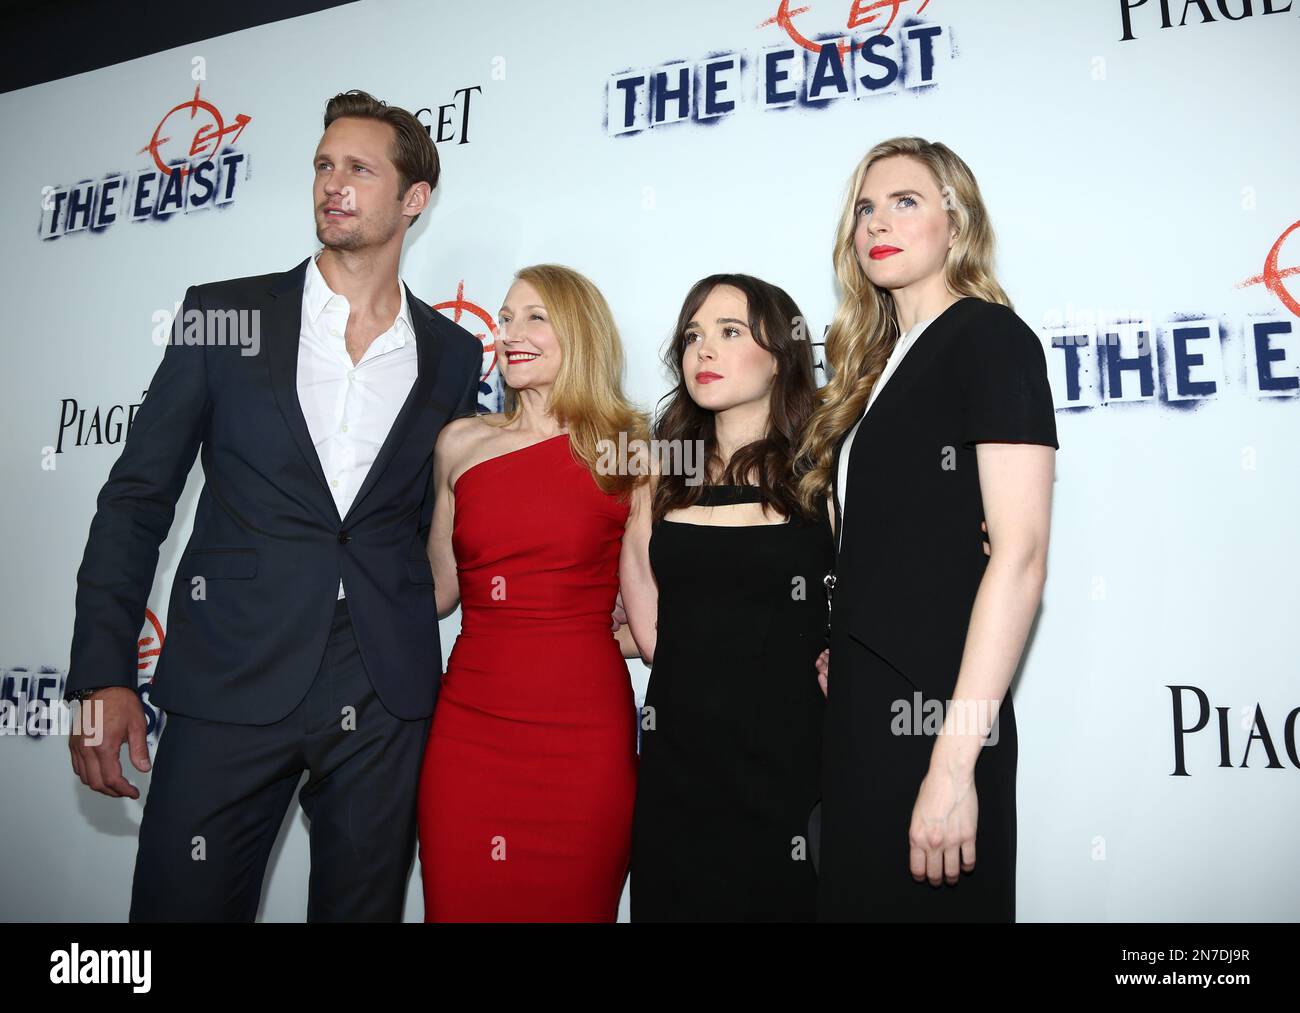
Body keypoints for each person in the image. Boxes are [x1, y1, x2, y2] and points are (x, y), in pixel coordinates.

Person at [64, 90, 482, 922]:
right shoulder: (225, 316)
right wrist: (102, 675)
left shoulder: (452, 353)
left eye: (359, 169)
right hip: (232, 671)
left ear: (414, 198)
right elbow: (137, 500)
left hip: (382, 686)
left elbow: (439, 517)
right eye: (324, 166)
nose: (334, 184)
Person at [797, 137, 1058, 922]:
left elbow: (1020, 558)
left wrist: (953, 765)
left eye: (906, 201)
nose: (879, 221)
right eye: (865, 208)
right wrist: (846, 640)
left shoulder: (988, 337)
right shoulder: (872, 371)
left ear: (957, 219)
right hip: (861, 714)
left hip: (941, 719)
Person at [417, 264, 647, 921]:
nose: (511, 332)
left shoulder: (625, 453)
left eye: (535, 316)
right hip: (472, 735)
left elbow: (649, 605)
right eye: (505, 318)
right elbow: (437, 590)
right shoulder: (460, 444)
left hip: (583, 740)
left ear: (580, 332)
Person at [618, 274, 832, 922]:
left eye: (729, 332)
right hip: (680, 762)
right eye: (692, 336)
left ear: (782, 351)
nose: (703, 351)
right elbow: (650, 622)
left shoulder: (826, 467)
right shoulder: (657, 471)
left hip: (793, 765)